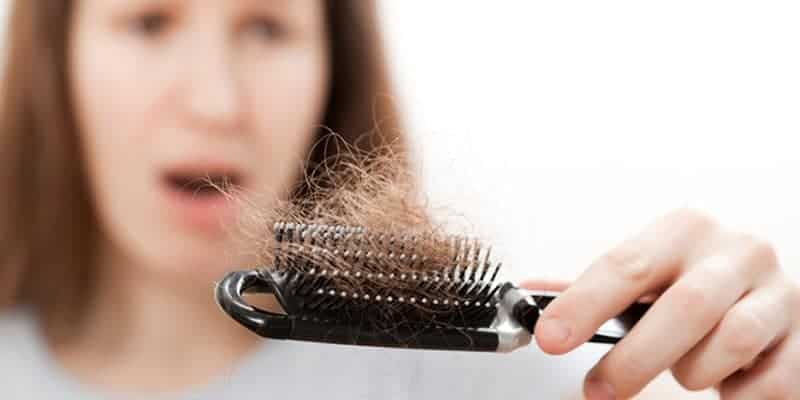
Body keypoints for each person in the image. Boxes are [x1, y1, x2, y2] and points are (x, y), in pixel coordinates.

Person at [0, 1, 797, 399]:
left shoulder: (482, 386)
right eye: (147, 21)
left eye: (269, 27)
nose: (214, 100)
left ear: (331, 68)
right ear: (56, 62)